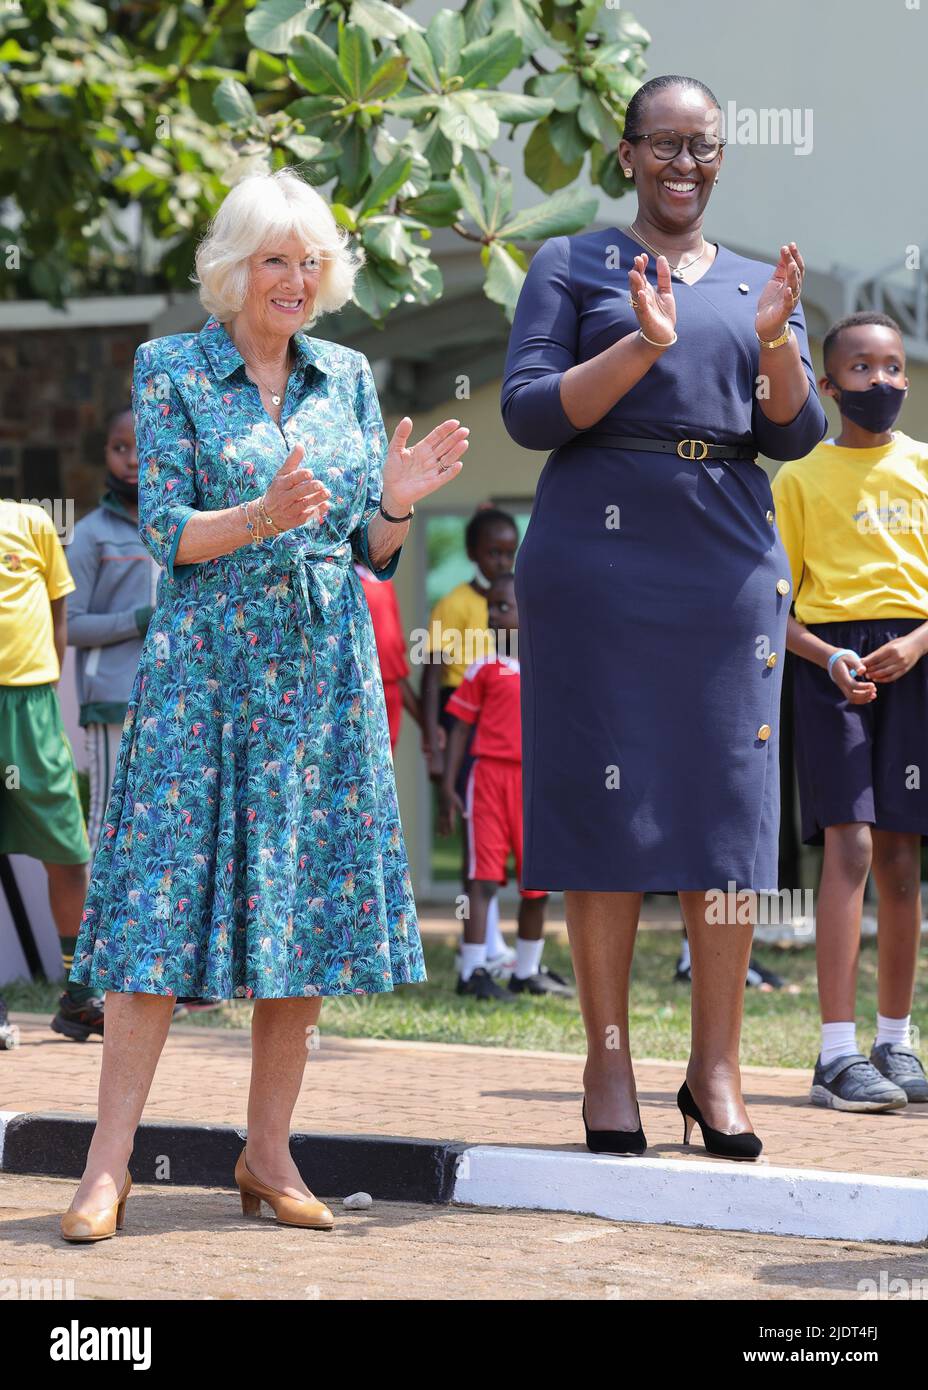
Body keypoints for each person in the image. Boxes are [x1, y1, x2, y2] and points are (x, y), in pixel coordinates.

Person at [59, 167, 468, 1243]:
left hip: (317, 680)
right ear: (233, 270)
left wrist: (393, 504)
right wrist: (260, 512)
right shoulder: (170, 370)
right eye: (274, 260)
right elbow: (167, 537)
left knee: (302, 920)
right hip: (204, 682)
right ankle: (107, 1167)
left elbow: (367, 556)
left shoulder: (346, 375)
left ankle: (268, 1151)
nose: (294, 279)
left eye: (309, 261)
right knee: (155, 919)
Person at [501, 74, 827, 1160]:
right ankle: (607, 1061)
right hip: (596, 562)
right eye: (667, 146)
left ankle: (716, 1069)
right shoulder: (573, 263)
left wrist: (776, 339)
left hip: (724, 563)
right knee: (603, 821)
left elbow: (794, 435)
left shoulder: (751, 282)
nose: (686, 164)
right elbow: (531, 409)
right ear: (629, 152)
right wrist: (640, 344)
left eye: (705, 147)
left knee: (724, 819)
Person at [772, 310, 928, 1112]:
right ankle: (836, 1053)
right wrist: (828, 657)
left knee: (904, 858)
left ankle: (895, 1044)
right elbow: (774, 607)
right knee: (853, 845)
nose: (883, 383)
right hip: (832, 669)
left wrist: (917, 644)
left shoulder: (926, 467)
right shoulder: (798, 478)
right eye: (863, 371)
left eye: (895, 367)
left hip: (913, 663)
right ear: (829, 385)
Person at [67, 411, 222, 1022]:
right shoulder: (91, 534)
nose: (132, 458)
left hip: (182, 705)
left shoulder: (192, 518)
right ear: (104, 454)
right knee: (110, 834)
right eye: (118, 447)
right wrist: (137, 622)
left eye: (141, 446)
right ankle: (85, 988)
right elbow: (72, 625)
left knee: (173, 840)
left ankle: (168, 975)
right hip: (115, 703)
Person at [438, 571, 573, 1001]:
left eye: (503, 607)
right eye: (491, 608)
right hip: (488, 779)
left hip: (533, 785)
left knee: (537, 883)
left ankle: (526, 970)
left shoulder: (546, 668)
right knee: (482, 880)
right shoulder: (482, 667)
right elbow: (458, 729)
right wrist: (447, 784)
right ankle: (472, 970)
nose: (494, 616)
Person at [0, 497, 92, 1039]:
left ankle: (79, 996)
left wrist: (45, 693)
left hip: (32, 707)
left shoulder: (32, 521)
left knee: (69, 850)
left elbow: (58, 612)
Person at [422, 507, 519, 973]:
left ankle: (493, 942)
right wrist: (433, 746)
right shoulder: (452, 603)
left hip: (502, 722)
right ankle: (478, 943)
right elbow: (431, 674)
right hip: (462, 721)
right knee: (472, 837)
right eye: (492, 552)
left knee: (497, 841)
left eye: (508, 552)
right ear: (472, 553)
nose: (501, 561)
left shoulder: (519, 603)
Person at [353, 562, 420, 752]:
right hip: (359, 695)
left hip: (388, 699)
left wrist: (427, 727)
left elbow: (394, 667)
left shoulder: (383, 583)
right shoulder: (347, 580)